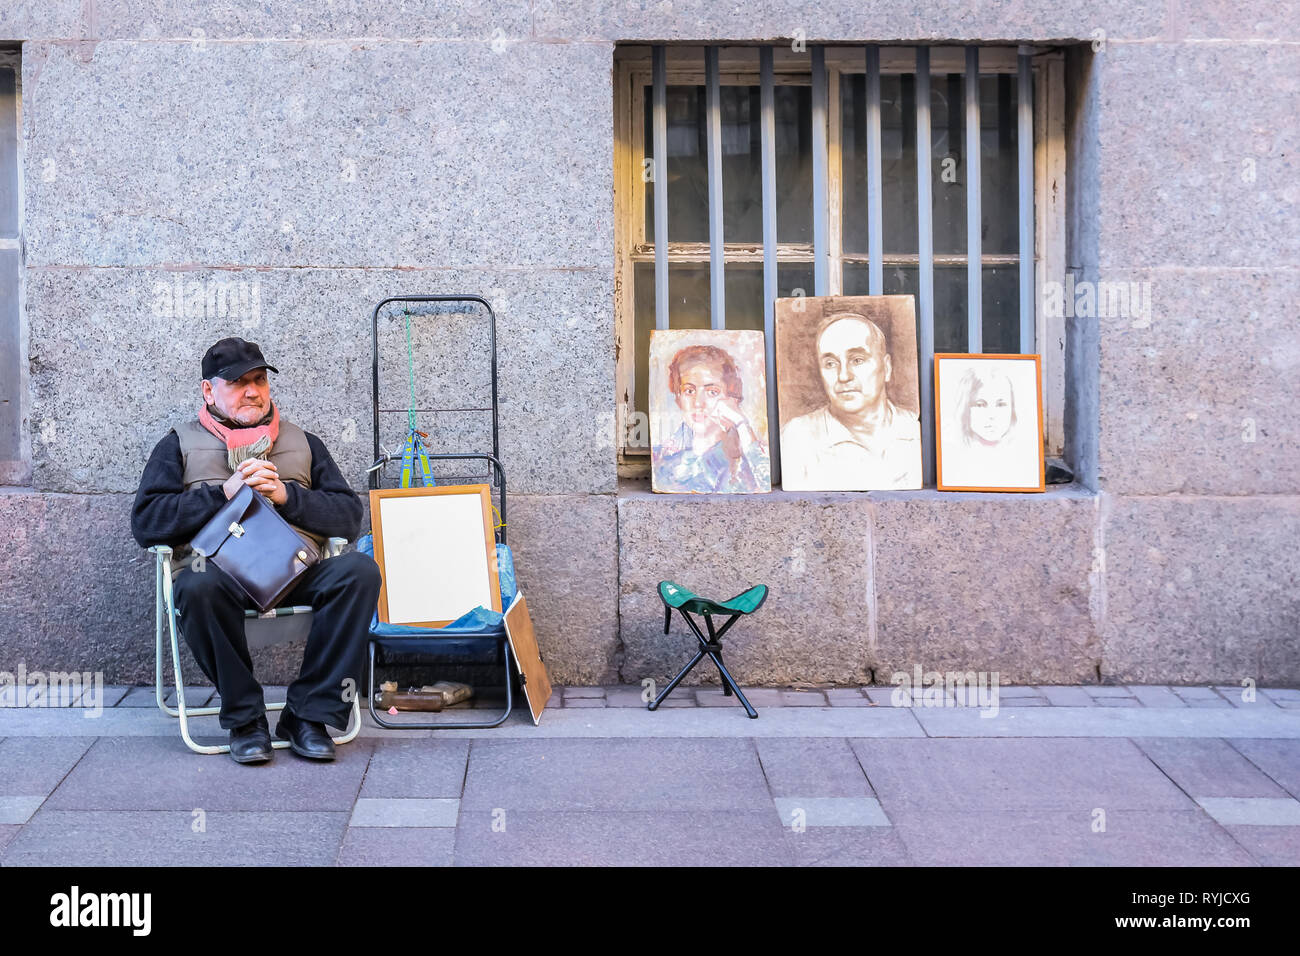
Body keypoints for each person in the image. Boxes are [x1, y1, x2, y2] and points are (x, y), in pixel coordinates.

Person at [130, 337, 381, 765]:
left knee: (359, 571)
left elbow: (347, 517)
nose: (252, 391)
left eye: (260, 380)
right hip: (220, 578)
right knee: (195, 585)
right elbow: (147, 522)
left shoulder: (304, 442)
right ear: (208, 391)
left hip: (296, 572)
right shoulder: (178, 444)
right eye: (237, 382)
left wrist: (287, 496)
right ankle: (246, 720)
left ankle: (307, 716)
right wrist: (220, 495)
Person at [779, 312, 921, 490]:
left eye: (857, 360)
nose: (844, 376)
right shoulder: (798, 436)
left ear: (886, 367)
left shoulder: (913, 431)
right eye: (830, 363)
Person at [652, 344, 770, 493]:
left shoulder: (749, 458)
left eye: (712, 392)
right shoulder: (663, 460)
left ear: (732, 397)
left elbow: (763, 484)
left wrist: (741, 424)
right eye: (689, 390)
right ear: (678, 397)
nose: (698, 403)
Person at [941, 363, 1038, 488]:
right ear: (965, 409)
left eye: (1001, 404)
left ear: (1012, 408)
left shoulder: (1023, 455)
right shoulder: (954, 454)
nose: (992, 415)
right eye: (980, 404)